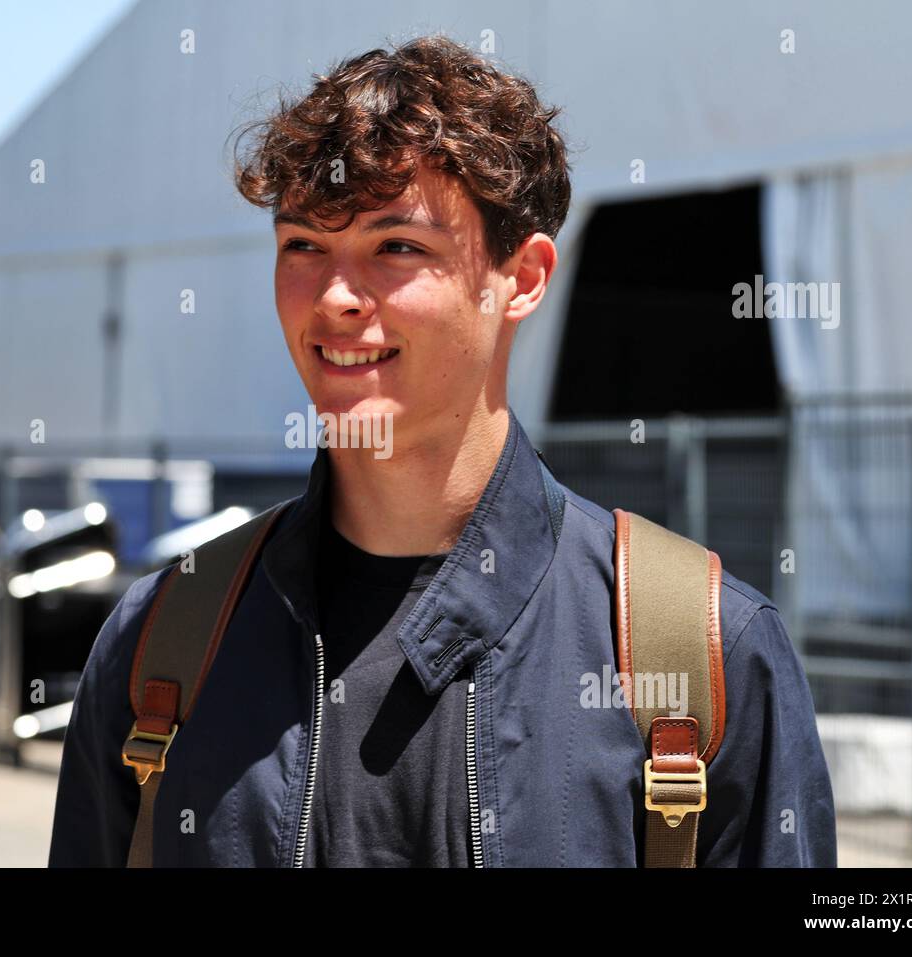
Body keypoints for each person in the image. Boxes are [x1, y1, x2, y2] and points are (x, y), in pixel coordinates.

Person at [48, 34, 836, 867]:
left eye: (398, 247)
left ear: (523, 278)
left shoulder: (700, 657)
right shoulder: (161, 645)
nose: (336, 298)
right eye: (303, 245)